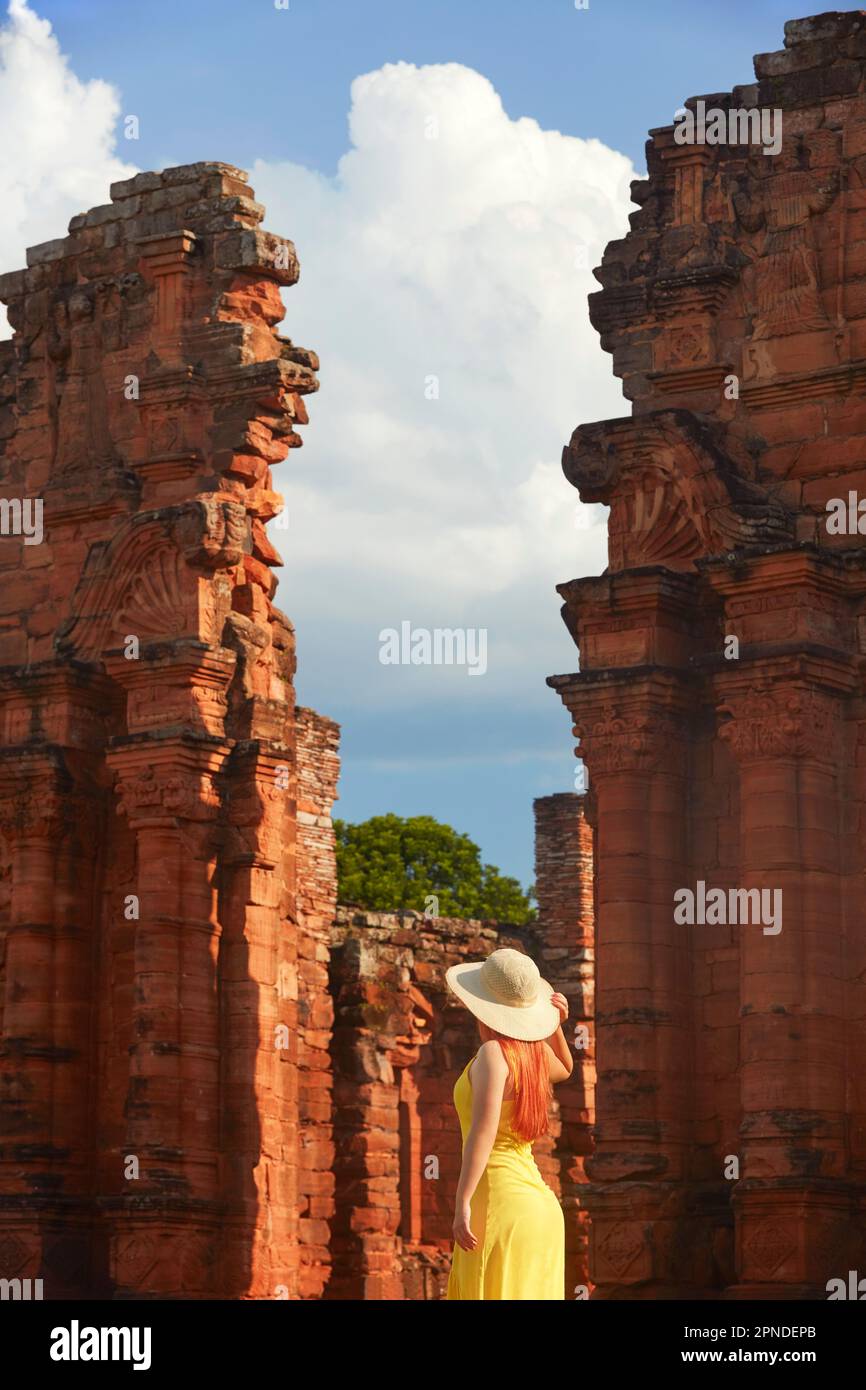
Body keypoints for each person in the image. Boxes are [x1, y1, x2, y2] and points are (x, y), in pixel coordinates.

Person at [444, 946, 572, 1300]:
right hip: (540, 1212)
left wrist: (462, 1202)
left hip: (499, 1206)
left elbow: (482, 1134)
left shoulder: (492, 1054)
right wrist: (555, 1028)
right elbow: (566, 1068)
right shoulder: (530, 1055)